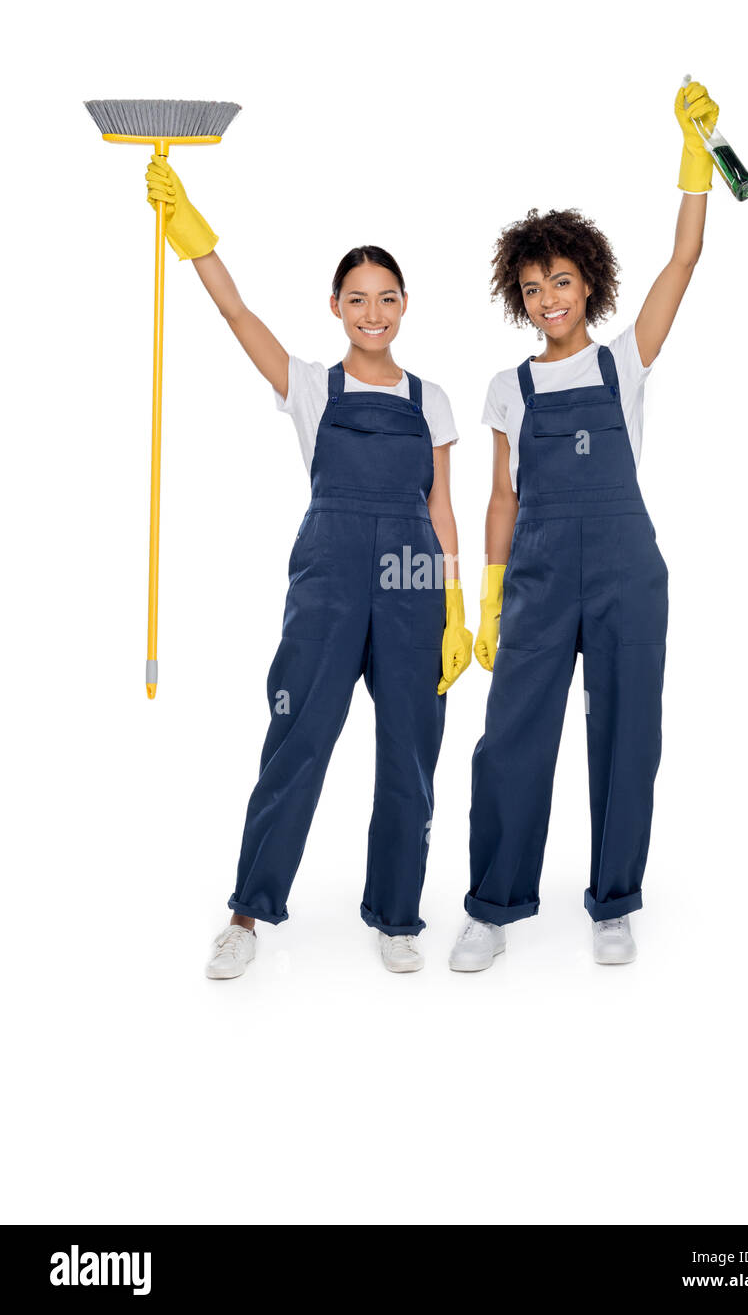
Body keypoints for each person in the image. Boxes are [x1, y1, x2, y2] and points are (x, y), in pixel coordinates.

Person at [144, 159, 472, 978]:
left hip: (411, 584)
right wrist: (192, 232)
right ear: (335, 307)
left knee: (409, 751)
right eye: (356, 299)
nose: (372, 313)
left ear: (404, 306)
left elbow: (440, 508)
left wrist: (457, 607)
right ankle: (245, 916)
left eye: (386, 298)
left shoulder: (430, 397)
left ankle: (397, 916)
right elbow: (234, 311)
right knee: (296, 740)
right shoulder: (308, 387)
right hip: (326, 579)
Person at [449, 80, 718, 971]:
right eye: (531, 288)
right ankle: (491, 905)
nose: (546, 298)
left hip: (623, 576)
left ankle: (613, 900)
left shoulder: (624, 361)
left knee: (626, 733)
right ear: (516, 297)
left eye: (560, 281)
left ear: (589, 284)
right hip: (535, 577)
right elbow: (500, 498)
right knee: (509, 738)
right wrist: (489, 598)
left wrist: (693, 160)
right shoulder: (506, 387)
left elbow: (681, 261)